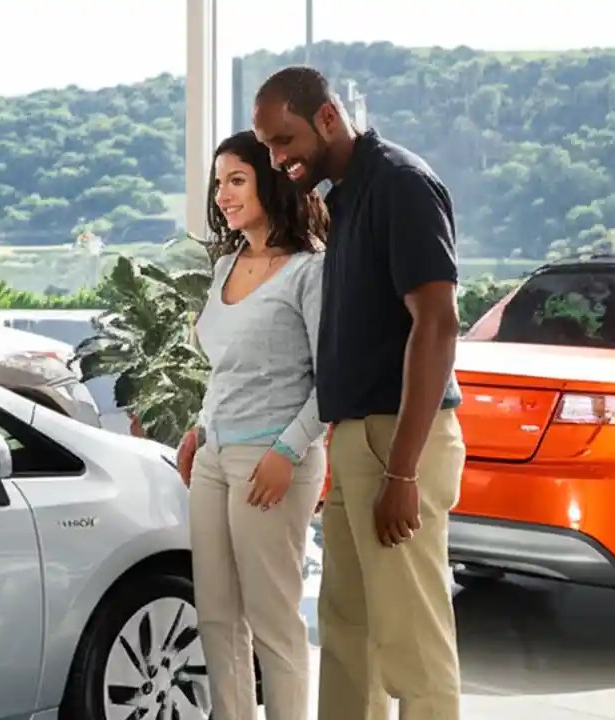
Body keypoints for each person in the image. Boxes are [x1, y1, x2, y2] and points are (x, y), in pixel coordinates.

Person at [251, 66, 466, 720]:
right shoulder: (344, 197)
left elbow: (438, 322)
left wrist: (400, 467)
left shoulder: (400, 185)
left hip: (399, 439)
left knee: (411, 642)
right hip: (359, 440)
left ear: (326, 118)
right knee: (348, 634)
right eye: (266, 147)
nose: (277, 158)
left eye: (284, 140)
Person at [176, 128, 329, 720]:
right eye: (219, 184)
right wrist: (199, 428)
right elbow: (228, 366)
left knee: (274, 623)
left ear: (269, 182)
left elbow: (329, 379)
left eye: (236, 180)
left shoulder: (308, 270)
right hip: (215, 457)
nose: (223, 195)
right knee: (216, 616)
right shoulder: (228, 265)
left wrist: (287, 452)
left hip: (272, 459)